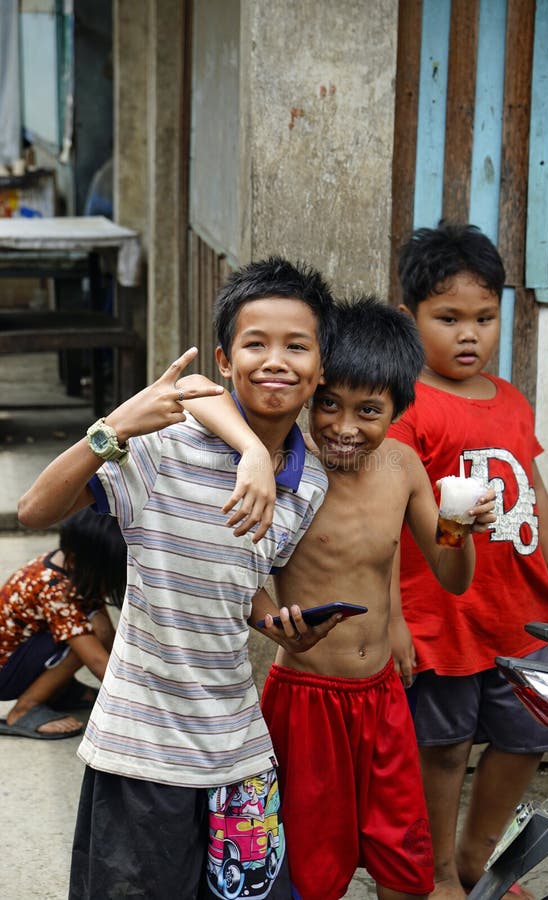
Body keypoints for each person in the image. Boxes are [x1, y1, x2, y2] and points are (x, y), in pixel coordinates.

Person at [17, 256, 339, 900]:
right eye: (256, 344)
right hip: (143, 746)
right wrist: (112, 430)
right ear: (225, 361)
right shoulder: (166, 449)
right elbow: (34, 510)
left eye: (296, 346)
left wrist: (279, 626)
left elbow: (238, 577)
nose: (276, 360)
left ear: (320, 368)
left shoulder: (309, 481)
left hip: (239, 749)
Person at [181, 296, 497, 900]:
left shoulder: (402, 468)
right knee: (307, 863)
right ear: (311, 390)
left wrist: (459, 532)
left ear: (399, 409)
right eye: (329, 404)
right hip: (305, 697)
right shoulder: (278, 465)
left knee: (404, 858)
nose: (345, 427)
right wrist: (271, 619)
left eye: (368, 410)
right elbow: (235, 568)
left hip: (380, 697)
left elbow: (451, 578)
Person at [387, 222, 548, 900]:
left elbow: (533, 495)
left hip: (519, 612)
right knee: (442, 750)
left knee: (530, 734)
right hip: (442, 614)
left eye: (484, 317)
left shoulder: (511, 401)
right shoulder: (408, 410)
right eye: (448, 318)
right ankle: (439, 872)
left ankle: (478, 856)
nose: (469, 334)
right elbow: (390, 523)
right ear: (408, 318)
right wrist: (394, 617)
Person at [0, 508, 126, 739]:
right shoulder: (56, 590)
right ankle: (24, 709)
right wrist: (135, 699)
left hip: (20, 656)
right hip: (5, 673)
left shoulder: (73, 566)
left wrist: (129, 671)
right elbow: (97, 659)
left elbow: (108, 635)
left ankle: (60, 691)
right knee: (85, 638)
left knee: (94, 627)